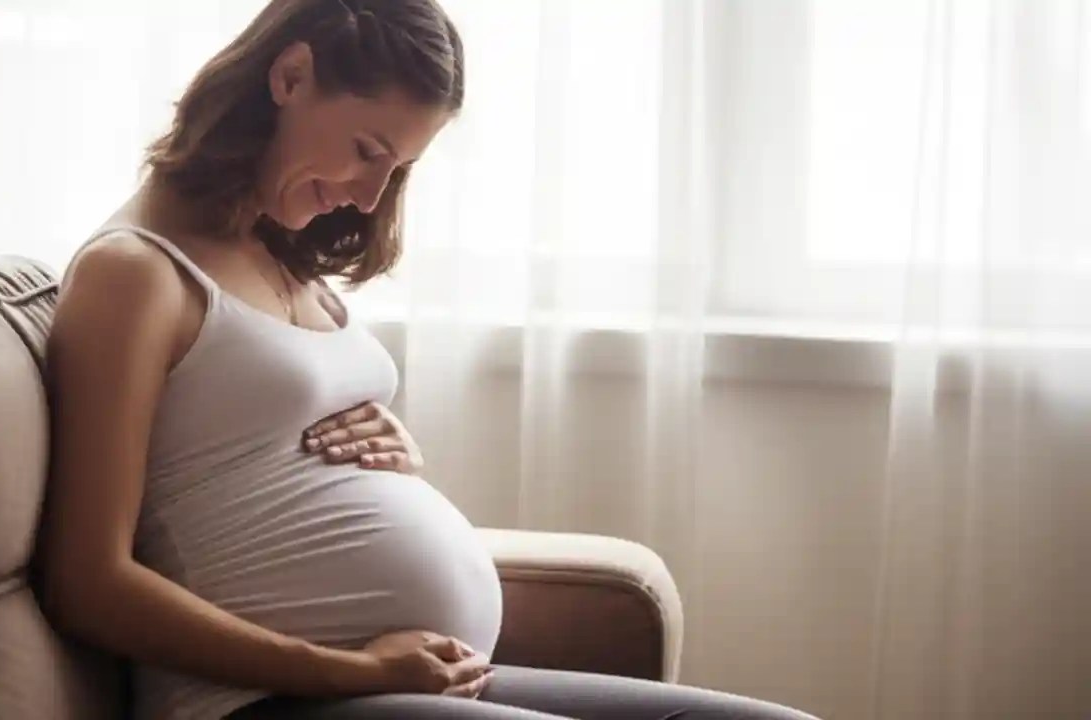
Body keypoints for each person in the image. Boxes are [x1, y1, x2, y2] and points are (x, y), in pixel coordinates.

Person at [41, 0, 820, 718]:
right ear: (291, 76)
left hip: (407, 685)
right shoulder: (133, 275)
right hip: (268, 700)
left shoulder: (272, 249)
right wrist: (353, 671)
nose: (370, 196)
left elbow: (249, 447)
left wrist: (385, 459)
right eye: (367, 151)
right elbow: (87, 582)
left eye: (398, 169)